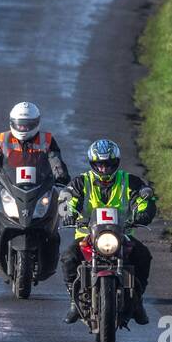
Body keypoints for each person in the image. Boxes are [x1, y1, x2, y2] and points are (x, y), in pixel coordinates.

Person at [60, 139, 156, 326]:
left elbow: (143, 198)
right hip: (87, 236)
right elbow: (66, 198)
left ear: (116, 163)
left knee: (143, 256)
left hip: (122, 235)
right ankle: (74, 301)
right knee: (68, 257)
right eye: (100, 164)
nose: (104, 169)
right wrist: (67, 214)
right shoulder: (81, 182)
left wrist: (144, 212)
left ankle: (138, 300)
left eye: (108, 164)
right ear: (92, 164)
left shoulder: (129, 181)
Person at [0, 101, 70, 188]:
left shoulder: (46, 139)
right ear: (12, 123)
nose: (23, 128)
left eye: (27, 125)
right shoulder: (2, 139)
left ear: (36, 123)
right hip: (9, 188)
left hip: (41, 188)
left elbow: (55, 160)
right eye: (19, 124)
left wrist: (61, 175)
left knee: (58, 202)